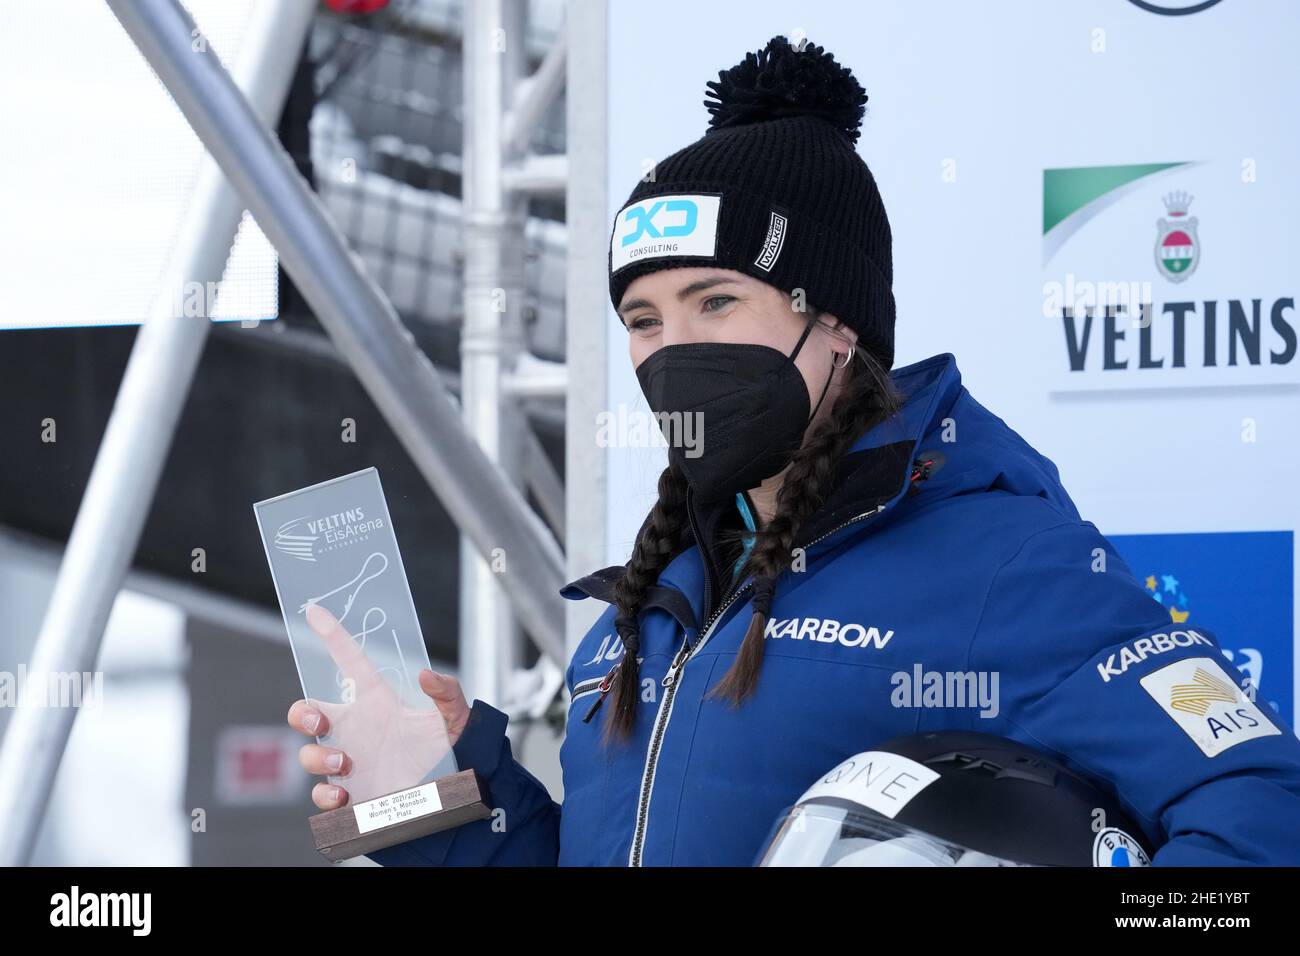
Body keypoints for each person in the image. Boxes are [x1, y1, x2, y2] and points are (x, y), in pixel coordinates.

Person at [288, 35, 1300, 866]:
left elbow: (1260, 806)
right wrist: (419, 800)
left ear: (839, 325)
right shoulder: (649, 608)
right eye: (642, 316)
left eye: (716, 301)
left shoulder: (1001, 561)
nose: (672, 347)